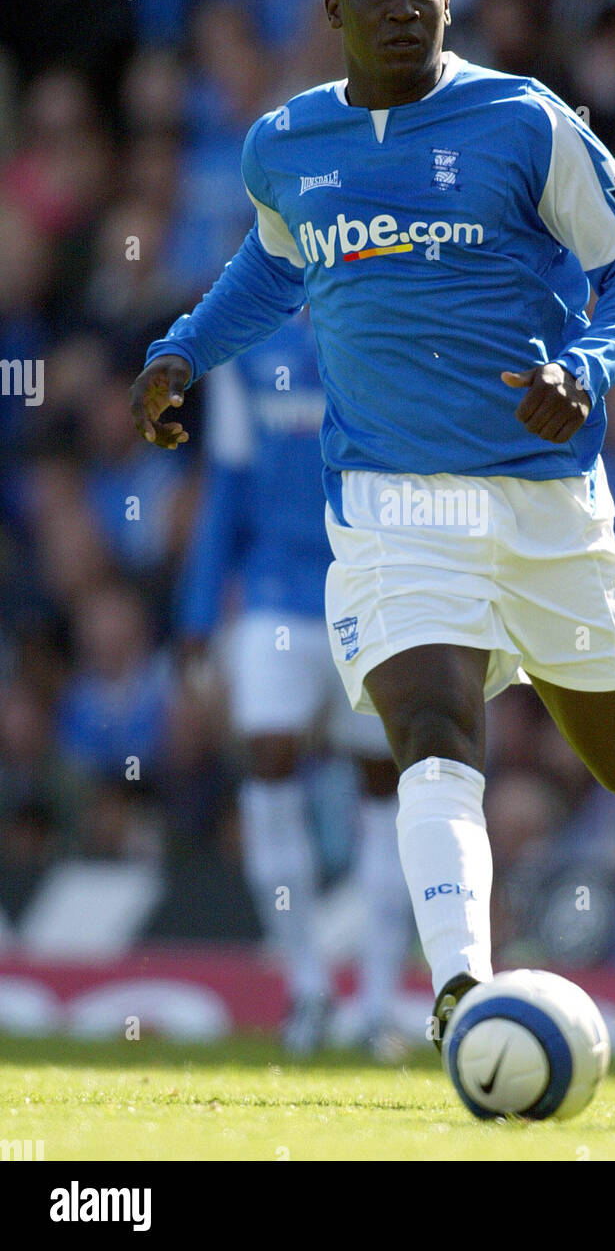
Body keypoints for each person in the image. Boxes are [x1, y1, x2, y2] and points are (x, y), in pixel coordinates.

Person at [131, 0, 615, 1048]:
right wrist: (182, 349)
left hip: (542, 503)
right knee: (431, 730)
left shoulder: (525, 120)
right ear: (333, 13)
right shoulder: (284, 144)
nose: (398, 7)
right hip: (390, 505)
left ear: (447, 0)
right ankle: (460, 994)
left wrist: (583, 366)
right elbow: (270, 265)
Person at [176, 320, 408, 1054]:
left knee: (387, 787)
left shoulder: (387, 328)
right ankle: (306, 989)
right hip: (276, 595)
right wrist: (198, 611)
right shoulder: (248, 356)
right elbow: (226, 488)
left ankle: (376, 1002)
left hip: (371, 592)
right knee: (269, 757)